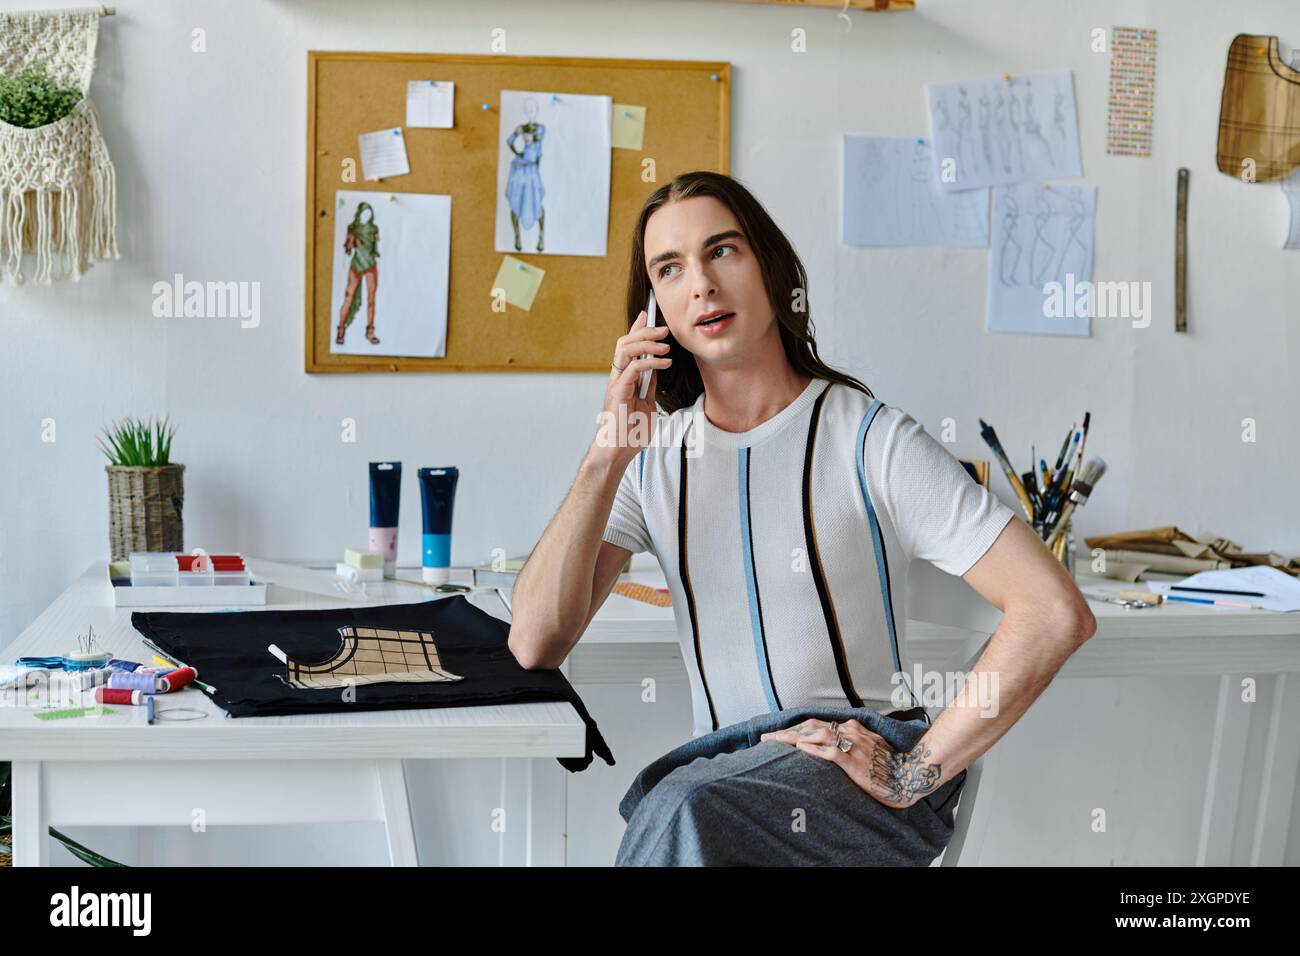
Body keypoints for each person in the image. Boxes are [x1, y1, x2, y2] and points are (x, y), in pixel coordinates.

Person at [508, 170, 1096, 866]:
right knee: (687, 809)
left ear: (772, 269)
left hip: (856, 781)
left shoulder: (871, 438)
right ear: (654, 311)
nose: (700, 284)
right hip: (727, 778)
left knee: (680, 810)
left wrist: (917, 771)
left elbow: (1054, 612)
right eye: (670, 269)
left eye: (722, 250)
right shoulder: (653, 457)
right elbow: (535, 643)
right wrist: (605, 456)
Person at [337, 202, 380, 346]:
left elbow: (375, 247)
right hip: (356, 266)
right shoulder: (353, 228)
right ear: (359, 213)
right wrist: (352, 243)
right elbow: (347, 249)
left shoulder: (374, 229)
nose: (366, 216)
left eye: (369, 213)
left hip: (371, 266)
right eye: (363, 213)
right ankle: (341, 330)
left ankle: (370, 332)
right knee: (349, 298)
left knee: (371, 300)